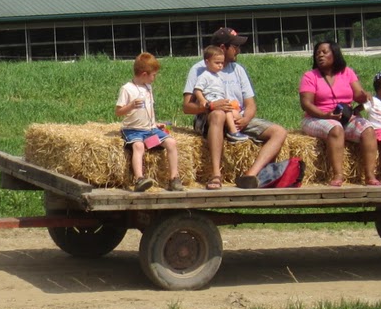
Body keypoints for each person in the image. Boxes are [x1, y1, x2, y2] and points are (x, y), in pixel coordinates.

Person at [181, 27, 287, 190]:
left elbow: (250, 104)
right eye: (235, 46)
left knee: (279, 132)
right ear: (223, 48)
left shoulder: (239, 70)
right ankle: (216, 174)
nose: (239, 50)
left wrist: (245, 119)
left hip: (237, 117)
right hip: (210, 117)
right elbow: (187, 107)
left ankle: (250, 174)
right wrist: (210, 106)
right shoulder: (199, 69)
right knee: (218, 115)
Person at [298, 39, 381, 187]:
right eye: (317, 53)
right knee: (336, 128)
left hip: (344, 117)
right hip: (316, 117)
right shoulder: (310, 76)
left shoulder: (347, 73)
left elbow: (357, 95)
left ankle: (370, 176)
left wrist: (364, 96)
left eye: (324, 52)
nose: (320, 56)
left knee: (368, 130)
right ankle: (338, 175)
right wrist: (326, 115)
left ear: (335, 54)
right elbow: (306, 104)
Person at [115, 52, 182, 192]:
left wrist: (154, 122)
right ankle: (139, 178)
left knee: (171, 142)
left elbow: (148, 109)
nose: (155, 78)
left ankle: (174, 178)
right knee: (138, 146)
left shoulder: (148, 87)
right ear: (144, 74)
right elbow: (118, 111)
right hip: (133, 129)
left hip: (150, 129)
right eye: (154, 75)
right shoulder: (127, 89)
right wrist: (131, 106)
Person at [190, 45, 243, 141]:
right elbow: (197, 90)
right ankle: (233, 132)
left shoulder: (217, 76)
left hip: (219, 99)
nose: (220, 65)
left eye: (222, 63)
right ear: (207, 62)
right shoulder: (204, 76)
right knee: (227, 111)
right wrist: (202, 100)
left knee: (236, 114)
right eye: (217, 63)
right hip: (212, 99)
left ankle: (231, 129)